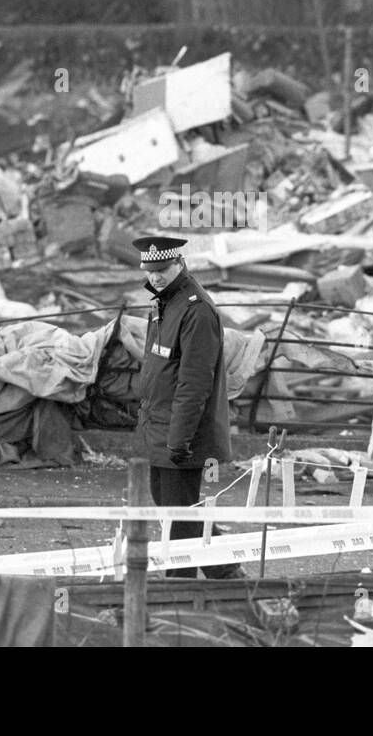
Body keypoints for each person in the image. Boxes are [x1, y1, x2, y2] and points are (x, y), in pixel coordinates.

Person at [133, 235, 244, 579]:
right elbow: (159, 369)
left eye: (163, 270)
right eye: (151, 272)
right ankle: (223, 568)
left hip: (180, 432)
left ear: (179, 264)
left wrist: (179, 440)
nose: (156, 278)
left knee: (181, 516)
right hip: (161, 425)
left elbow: (195, 382)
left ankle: (182, 589)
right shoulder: (166, 302)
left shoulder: (195, 308)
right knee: (172, 508)